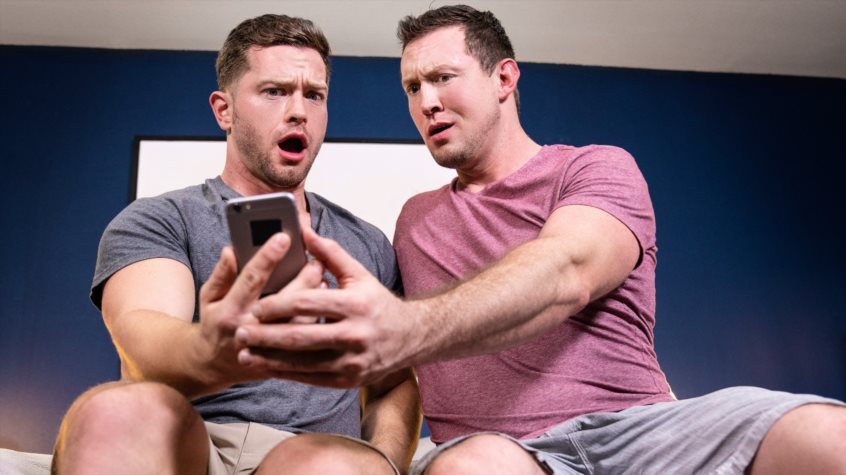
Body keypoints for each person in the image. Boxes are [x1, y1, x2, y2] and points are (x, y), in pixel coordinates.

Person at [232, 5, 846, 475]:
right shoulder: (414, 221)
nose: (427, 102)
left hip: (636, 429)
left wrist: (407, 326)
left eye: (442, 77)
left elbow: (567, 271)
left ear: (504, 77)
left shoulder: (595, 167)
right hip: (495, 449)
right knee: (474, 468)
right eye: (412, 88)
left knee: (822, 433)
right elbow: (389, 374)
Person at [51, 13, 420, 475]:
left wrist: (382, 460)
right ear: (224, 110)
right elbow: (143, 343)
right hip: (195, 444)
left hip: (319, 454)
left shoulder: (366, 244)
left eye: (314, 95)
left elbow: (392, 383)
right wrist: (215, 349)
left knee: (322, 465)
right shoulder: (160, 219)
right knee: (110, 412)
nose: (299, 111)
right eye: (275, 91)